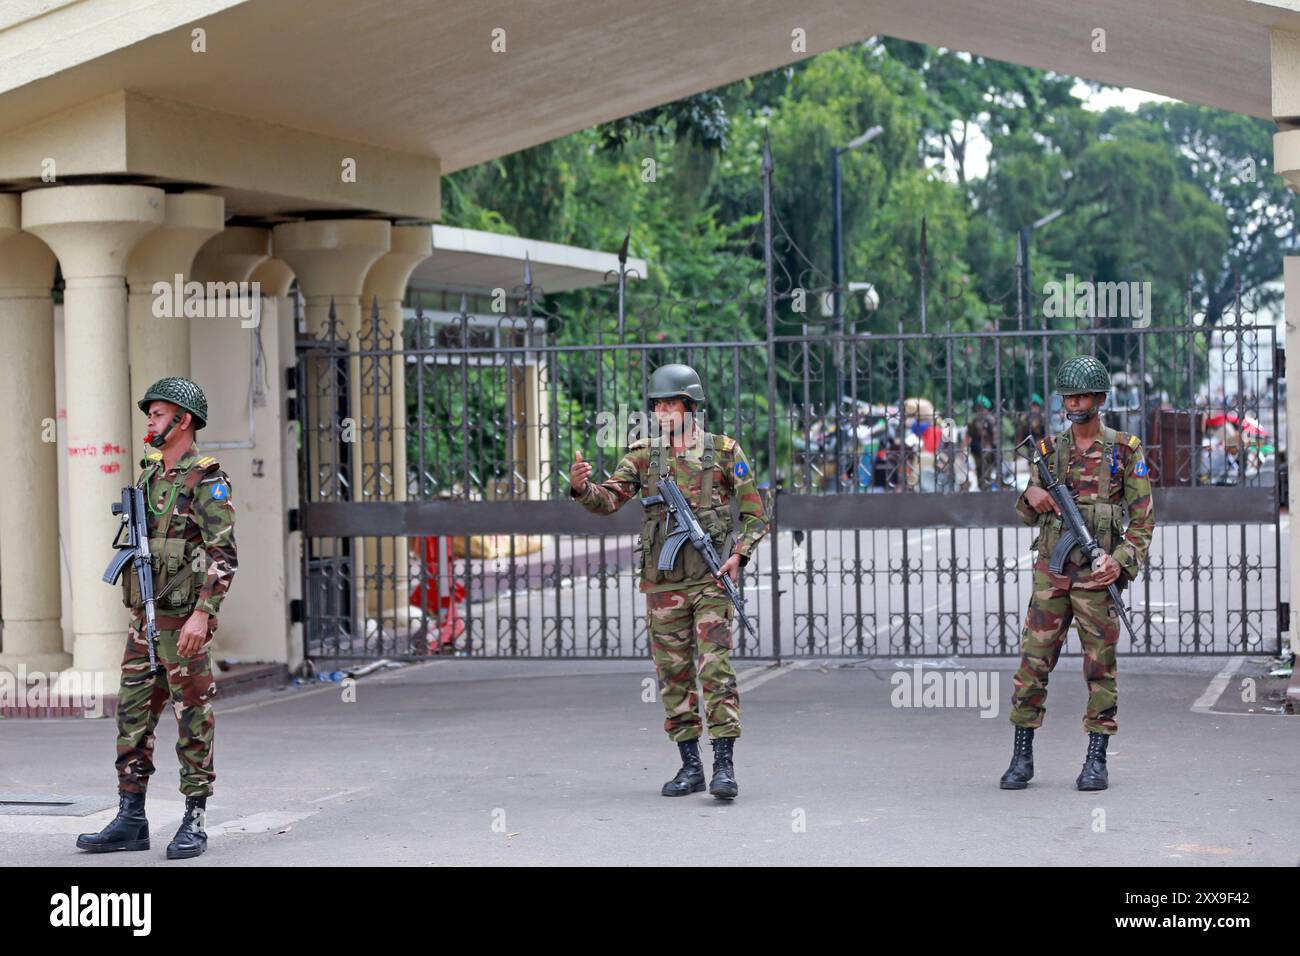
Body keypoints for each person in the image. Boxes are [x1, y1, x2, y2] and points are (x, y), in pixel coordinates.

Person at [570, 364, 768, 800]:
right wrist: (582, 489)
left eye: (670, 403)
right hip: (663, 587)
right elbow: (609, 500)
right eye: (657, 404)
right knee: (673, 675)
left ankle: (724, 767)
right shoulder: (644, 455)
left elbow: (757, 515)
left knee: (715, 670)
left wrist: (738, 555)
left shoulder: (723, 451)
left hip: (711, 581)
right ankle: (690, 767)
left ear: (690, 405)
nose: (662, 411)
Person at [76, 377, 237, 859]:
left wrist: (202, 616)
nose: (150, 418)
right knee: (132, 718)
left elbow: (222, 553)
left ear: (183, 420)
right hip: (143, 622)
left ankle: (195, 818)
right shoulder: (148, 477)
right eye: (150, 412)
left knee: (192, 719)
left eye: (159, 412)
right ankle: (131, 817)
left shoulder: (206, 479)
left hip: (184, 625)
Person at [1000, 356, 1154, 792]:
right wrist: (1030, 493)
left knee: (1099, 668)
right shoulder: (1048, 451)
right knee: (1033, 664)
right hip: (1052, 576)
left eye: (1082, 395)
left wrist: (1117, 561)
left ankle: (1096, 760)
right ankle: (1021, 755)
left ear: (1101, 399)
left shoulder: (1125, 450)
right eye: (1068, 395)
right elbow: (1027, 512)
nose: (1074, 402)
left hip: (1096, 580)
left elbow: (1142, 522)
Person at [966, 395, 997, 490]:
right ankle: (983, 484)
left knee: (986, 468)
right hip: (979, 448)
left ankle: (985, 484)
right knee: (982, 468)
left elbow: (994, 436)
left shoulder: (989, 420)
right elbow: (969, 435)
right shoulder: (977, 420)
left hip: (986, 448)